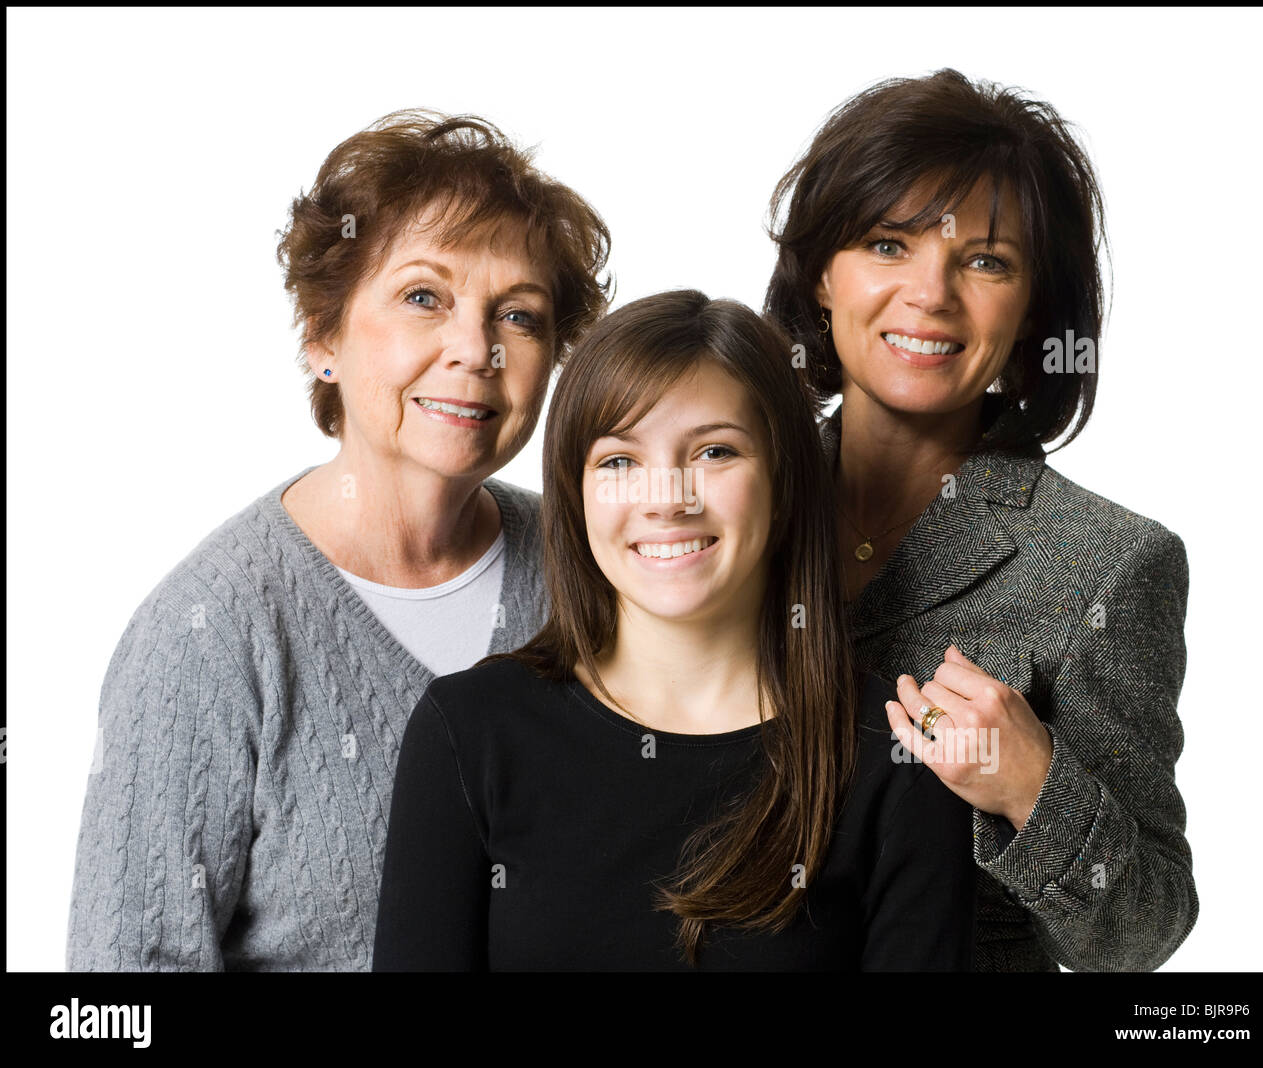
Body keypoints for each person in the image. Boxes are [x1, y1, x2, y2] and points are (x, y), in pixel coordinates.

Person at [65, 110, 611, 970]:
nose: (474, 349)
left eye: (519, 316)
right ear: (324, 336)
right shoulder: (208, 634)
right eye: (423, 298)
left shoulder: (594, 567)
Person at [372, 290, 978, 971]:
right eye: (619, 461)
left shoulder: (895, 756)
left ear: (782, 482)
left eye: (715, 452)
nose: (667, 499)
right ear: (575, 494)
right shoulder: (469, 734)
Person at [764, 69, 1196, 971]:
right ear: (820, 277)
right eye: (887, 244)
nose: (930, 293)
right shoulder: (727, 496)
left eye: (985, 260)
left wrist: (1036, 787)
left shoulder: (1108, 565)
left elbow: (1146, 929)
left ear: (1034, 309)